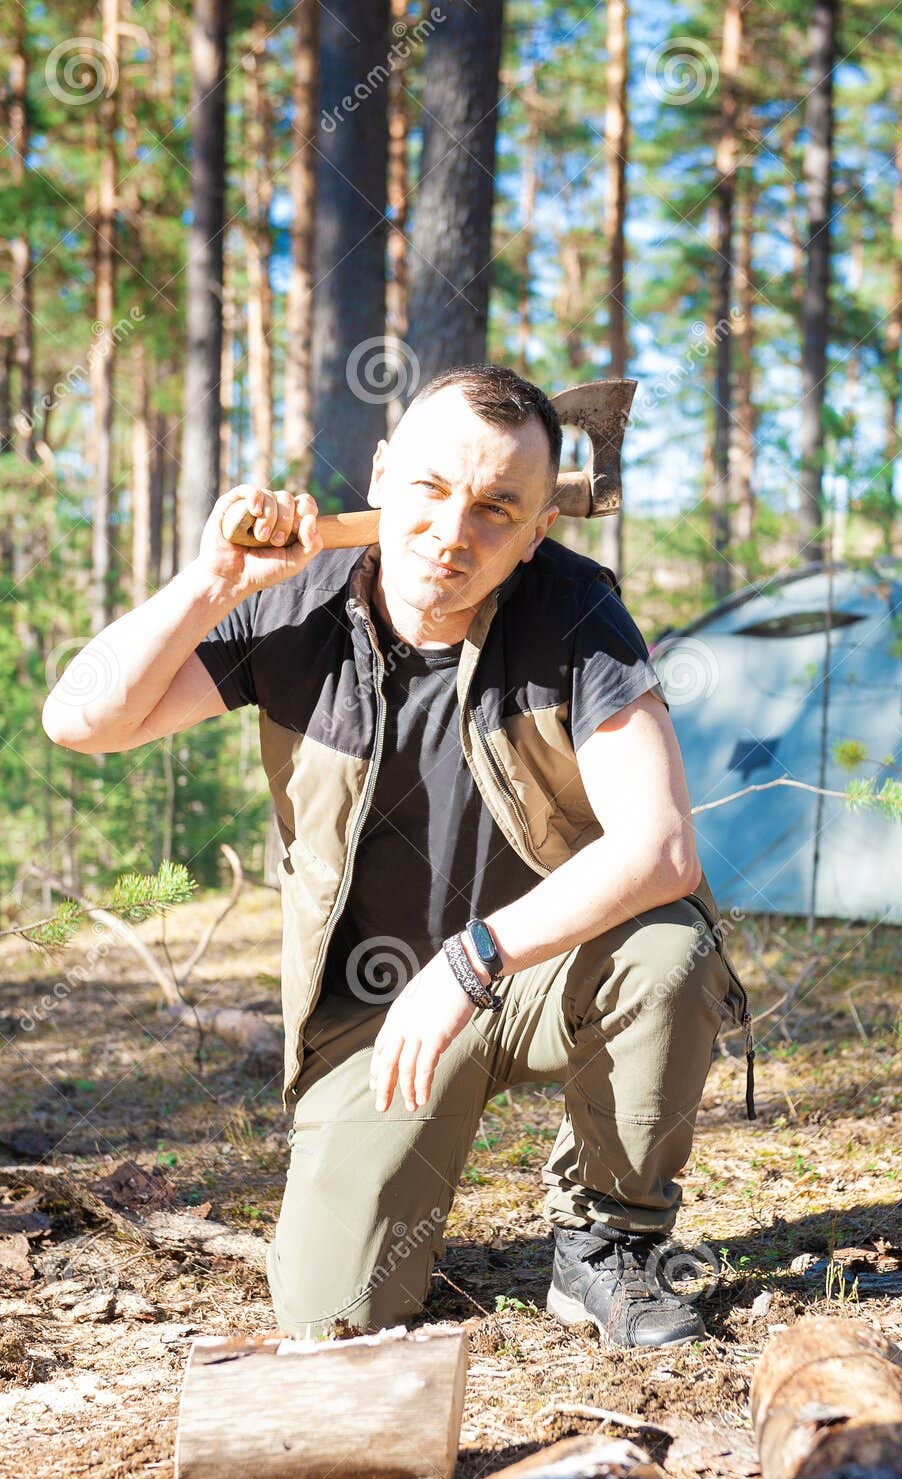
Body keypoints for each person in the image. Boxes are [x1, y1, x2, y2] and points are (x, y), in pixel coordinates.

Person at [42, 364, 754, 1350]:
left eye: (496, 508)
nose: (453, 533)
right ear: (381, 475)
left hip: (535, 971)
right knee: (335, 1319)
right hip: (371, 1018)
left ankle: (608, 1242)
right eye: (429, 488)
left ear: (539, 527)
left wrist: (472, 958)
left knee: (668, 950)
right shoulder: (290, 603)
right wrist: (214, 584)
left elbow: (661, 847)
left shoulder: (572, 609)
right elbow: (81, 721)